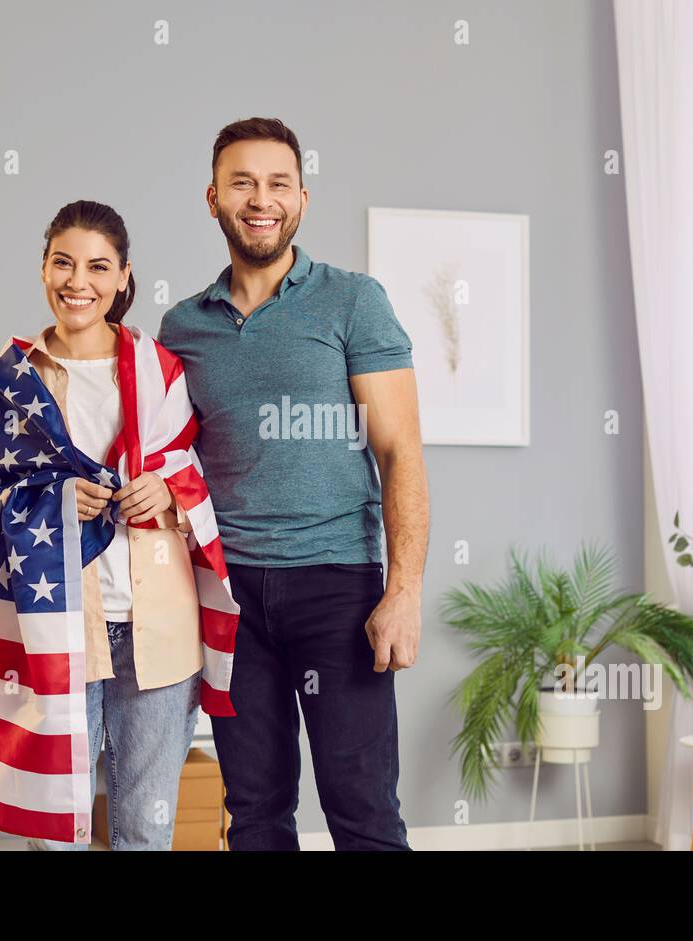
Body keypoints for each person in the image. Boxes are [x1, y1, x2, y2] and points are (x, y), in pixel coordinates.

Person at [158, 118, 431, 850]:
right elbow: (168, 463)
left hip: (337, 587)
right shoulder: (182, 327)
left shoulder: (352, 302)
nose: (261, 198)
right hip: (229, 592)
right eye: (242, 182)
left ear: (302, 200)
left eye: (278, 183)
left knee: (363, 812)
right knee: (254, 812)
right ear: (212, 198)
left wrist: (402, 591)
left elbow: (400, 452)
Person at [17, 200, 204, 850]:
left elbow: (202, 477)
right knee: (57, 831)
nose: (79, 281)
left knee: (145, 829)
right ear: (44, 270)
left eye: (98, 266)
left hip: (160, 627)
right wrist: (51, 501)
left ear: (124, 277)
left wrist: (169, 494)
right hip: (63, 622)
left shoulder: (162, 369)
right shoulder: (17, 379)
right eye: (63, 262)